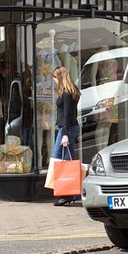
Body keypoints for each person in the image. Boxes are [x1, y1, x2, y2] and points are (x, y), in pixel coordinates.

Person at [51, 66, 81, 206]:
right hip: (69, 128)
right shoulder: (69, 91)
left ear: (60, 78)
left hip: (67, 129)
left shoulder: (67, 93)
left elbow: (68, 114)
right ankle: (72, 193)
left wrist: (64, 134)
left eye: (55, 79)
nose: (55, 82)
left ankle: (67, 194)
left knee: (60, 158)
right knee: (67, 159)